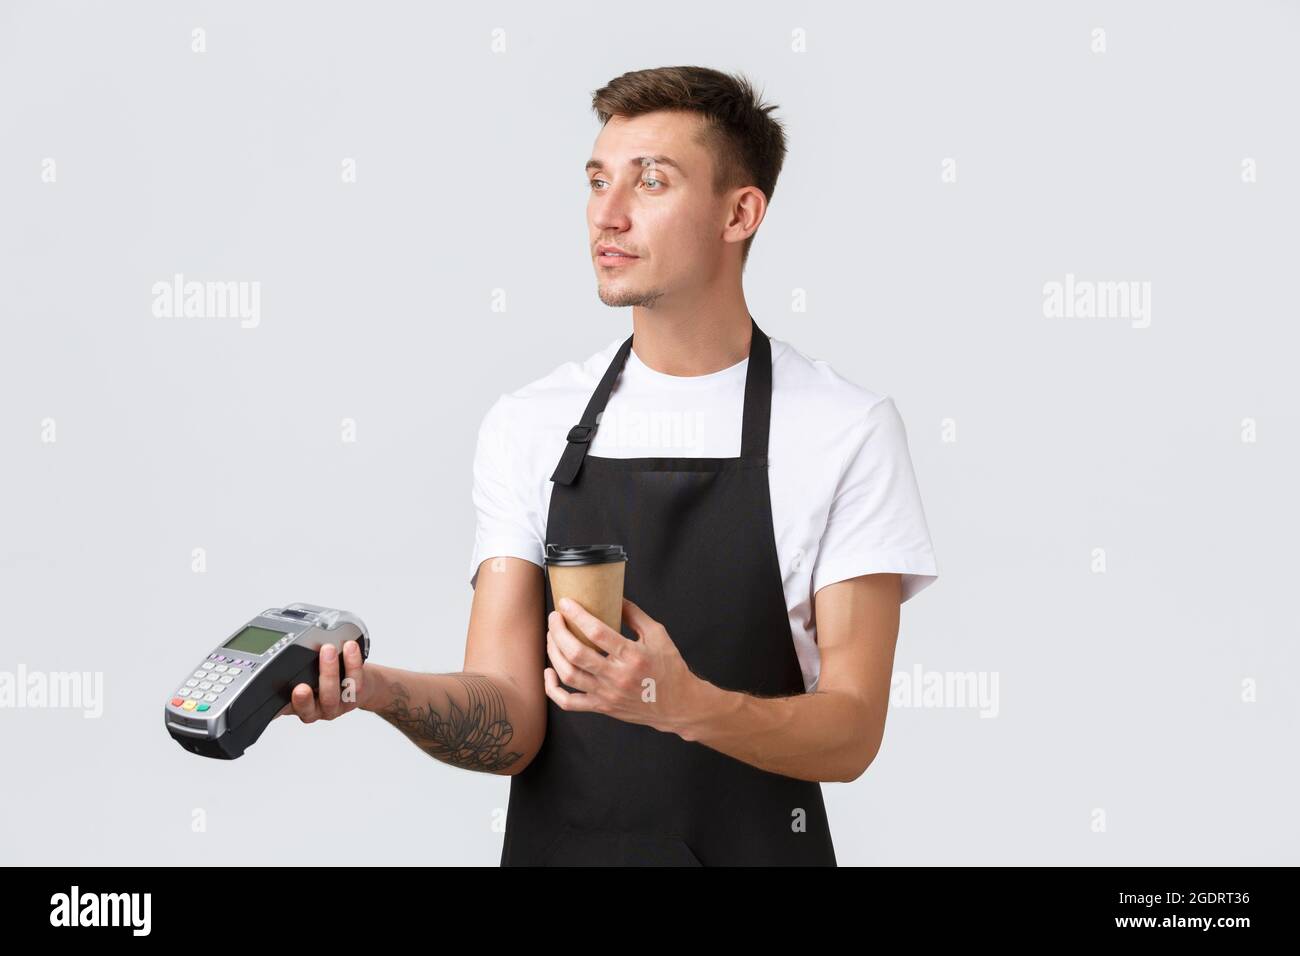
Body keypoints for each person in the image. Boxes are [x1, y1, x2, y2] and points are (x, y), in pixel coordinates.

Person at [280, 65, 939, 866]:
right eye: (598, 181)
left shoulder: (845, 429)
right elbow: (511, 724)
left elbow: (851, 734)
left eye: (651, 181)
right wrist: (376, 690)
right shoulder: (530, 424)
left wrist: (682, 703)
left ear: (741, 212)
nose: (609, 214)